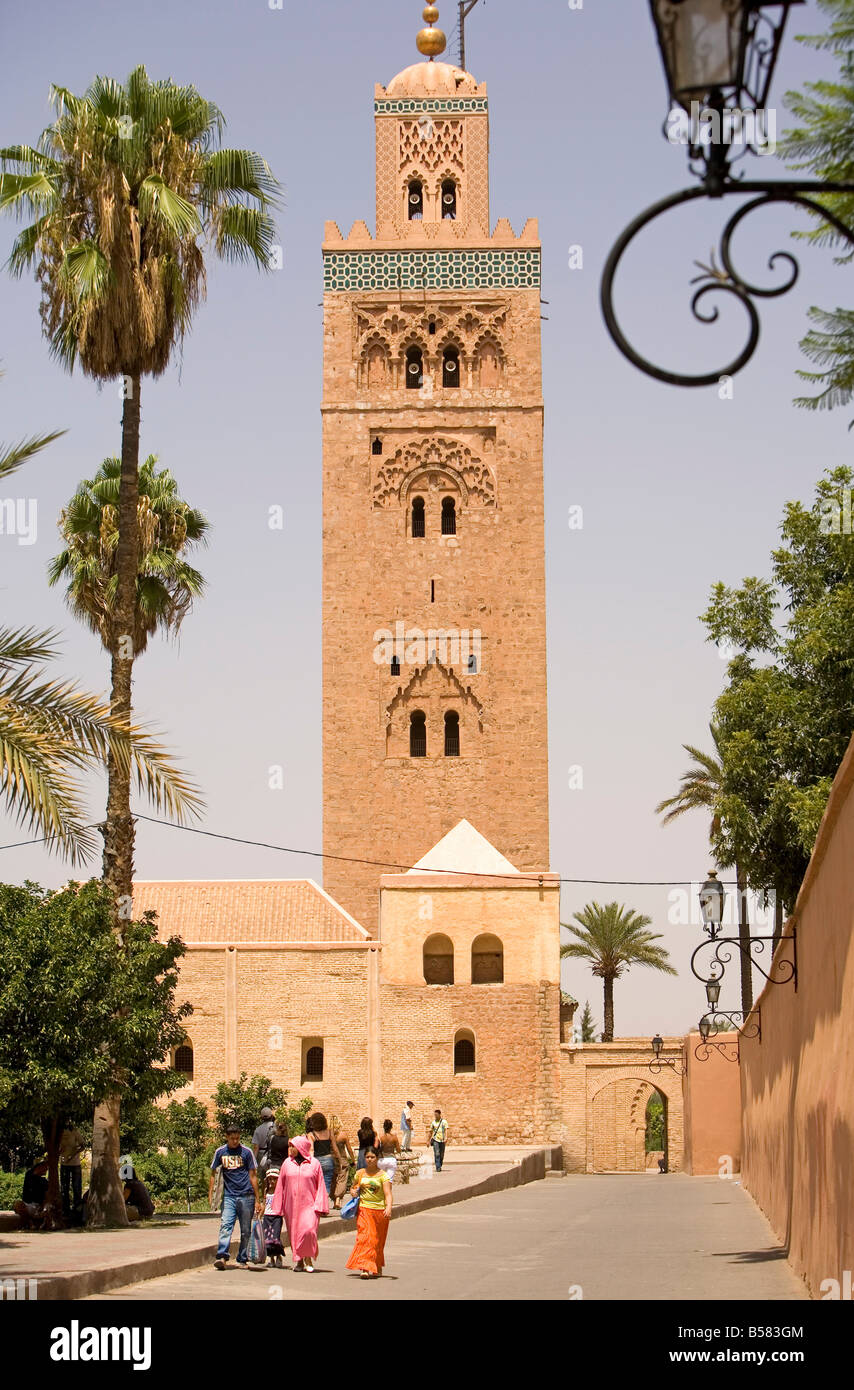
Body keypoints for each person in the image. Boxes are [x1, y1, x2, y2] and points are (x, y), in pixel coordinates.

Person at [271, 1136, 329, 1272]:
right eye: (289, 1146)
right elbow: (280, 1185)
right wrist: (278, 1205)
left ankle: (308, 1258)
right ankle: (299, 1261)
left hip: (310, 1205)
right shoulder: (287, 1163)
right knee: (295, 1233)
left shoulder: (314, 1164)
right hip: (291, 1205)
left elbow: (321, 1185)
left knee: (309, 1231)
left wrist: (321, 1205)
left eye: (293, 1146)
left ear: (301, 1147)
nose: (290, 1149)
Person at [209, 1124, 262, 1270]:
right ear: (227, 1137)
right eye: (232, 1138)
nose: (235, 1141)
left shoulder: (247, 1152)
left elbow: (253, 1176)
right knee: (226, 1225)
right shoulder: (220, 1152)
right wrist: (212, 1195)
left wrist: (258, 1199)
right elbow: (214, 1174)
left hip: (246, 1196)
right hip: (229, 1196)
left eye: (237, 1138)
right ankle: (222, 1256)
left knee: (246, 1230)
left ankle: (242, 1258)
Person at [345, 1146, 393, 1280]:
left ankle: (376, 1265)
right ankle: (365, 1267)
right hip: (364, 1209)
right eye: (367, 1157)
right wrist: (353, 1191)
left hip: (379, 1211)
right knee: (366, 1237)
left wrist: (388, 1207)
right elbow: (354, 1187)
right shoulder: (360, 1173)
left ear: (377, 1158)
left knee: (377, 1241)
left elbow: (388, 1194)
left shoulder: (383, 1176)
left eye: (372, 1157)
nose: (370, 1160)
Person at [305, 1112, 340, 1205]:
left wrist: (310, 1163)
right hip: (328, 1160)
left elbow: (311, 1150)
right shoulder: (329, 1132)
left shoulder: (311, 1134)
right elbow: (335, 1148)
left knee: (316, 1184)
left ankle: (318, 1204)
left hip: (317, 1161)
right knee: (327, 1184)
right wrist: (339, 1159)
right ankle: (324, 1205)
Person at [13, 1158, 49, 1230]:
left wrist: (43, 1207)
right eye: (45, 1168)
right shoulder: (29, 1175)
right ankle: (30, 1223)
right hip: (28, 1205)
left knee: (50, 1206)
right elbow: (32, 1173)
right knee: (17, 1204)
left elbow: (46, 1196)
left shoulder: (44, 1181)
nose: (46, 1170)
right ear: (39, 1167)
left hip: (39, 1207)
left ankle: (43, 1224)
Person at [58, 1126, 84, 1222]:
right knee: (64, 1188)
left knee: (76, 1188)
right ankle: (66, 1210)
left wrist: (73, 1154)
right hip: (64, 1164)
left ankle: (77, 1211)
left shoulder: (74, 1130)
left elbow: (82, 1145)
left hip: (75, 1164)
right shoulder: (59, 1132)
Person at [262, 1168, 286, 1267]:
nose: (272, 1181)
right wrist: (260, 1214)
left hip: (276, 1217)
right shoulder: (266, 1190)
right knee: (267, 1238)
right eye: (270, 1179)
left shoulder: (280, 1191)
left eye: (274, 1179)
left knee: (275, 1238)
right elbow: (264, 1203)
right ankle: (271, 1258)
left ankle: (278, 1256)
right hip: (267, 1217)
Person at [331, 1118, 355, 1211]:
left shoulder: (328, 1135)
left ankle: (334, 1200)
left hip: (332, 1160)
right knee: (342, 1180)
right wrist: (353, 1160)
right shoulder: (343, 1135)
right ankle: (338, 1199)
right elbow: (349, 1149)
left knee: (333, 1180)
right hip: (343, 1159)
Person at [251, 1106, 277, 1183]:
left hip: (261, 1155)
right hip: (274, 1154)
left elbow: (256, 1147)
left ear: (261, 1117)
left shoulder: (258, 1129)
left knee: (263, 1178)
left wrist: (253, 1161)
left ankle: (264, 1194)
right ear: (271, 1116)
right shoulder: (276, 1128)